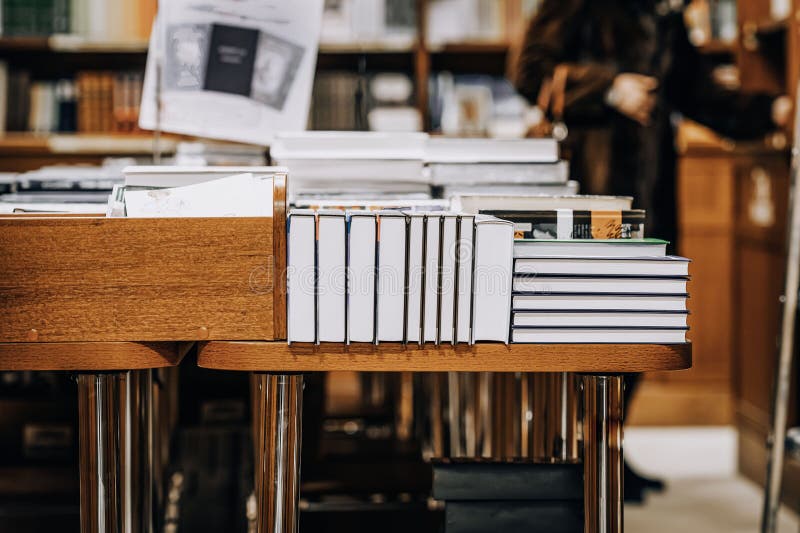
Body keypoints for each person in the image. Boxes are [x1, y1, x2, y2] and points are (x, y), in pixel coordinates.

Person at [515, 0, 792, 502]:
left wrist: (770, 109)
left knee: (640, 328)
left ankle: (605, 448)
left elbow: (699, 95)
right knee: (582, 331)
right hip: (587, 198)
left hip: (651, 198)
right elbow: (529, 71)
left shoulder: (665, 16)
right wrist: (607, 88)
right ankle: (573, 456)